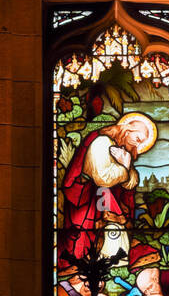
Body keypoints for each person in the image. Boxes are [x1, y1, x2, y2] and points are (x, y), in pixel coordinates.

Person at [60, 111, 157, 265]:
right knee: (83, 245)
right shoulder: (102, 142)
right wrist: (124, 167)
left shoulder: (121, 149)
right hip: (87, 199)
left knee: (114, 231)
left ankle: (113, 261)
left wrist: (126, 166)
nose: (137, 145)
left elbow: (131, 182)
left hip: (105, 200)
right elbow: (102, 178)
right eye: (137, 139)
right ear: (126, 129)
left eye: (141, 143)